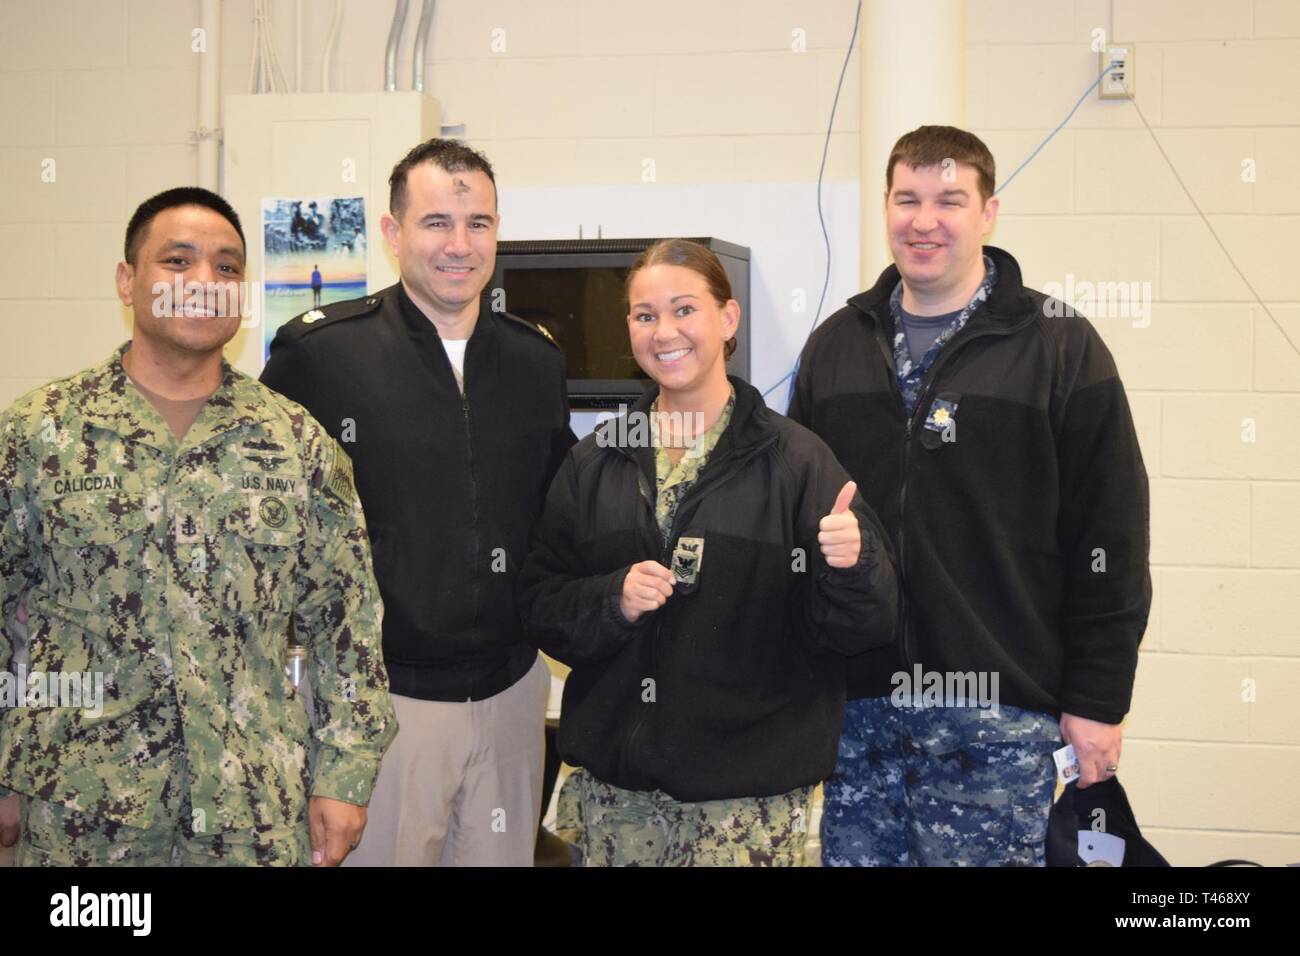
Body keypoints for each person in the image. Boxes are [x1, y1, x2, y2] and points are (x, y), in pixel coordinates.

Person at [787, 125, 1151, 866]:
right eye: (908, 198)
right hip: (859, 716)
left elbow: (1110, 536)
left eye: (950, 199)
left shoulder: (1058, 346)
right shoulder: (836, 346)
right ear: (886, 207)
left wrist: (1098, 701)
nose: (925, 221)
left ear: (988, 212)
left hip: (998, 720)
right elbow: (796, 523)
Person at [0, 187, 396, 866]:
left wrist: (345, 774)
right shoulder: (39, 433)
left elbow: (347, 622)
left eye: (227, 267)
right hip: (83, 814)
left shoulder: (296, 442)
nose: (203, 284)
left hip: (252, 813)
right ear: (129, 281)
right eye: (177, 261)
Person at [518, 239, 897, 867]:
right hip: (616, 804)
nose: (664, 331)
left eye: (684, 309)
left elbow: (863, 628)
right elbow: (540, 602)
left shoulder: (797, 461)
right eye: (644, 315)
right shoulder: (596, 460)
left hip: (745, 812)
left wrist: (852, 565)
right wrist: (613, 600)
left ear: (728, 320)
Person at [261, 139, 574, 867]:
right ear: (393, 232)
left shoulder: (536, 361)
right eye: (436, 223)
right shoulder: (322, 356)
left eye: (479, 223)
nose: (459, 245)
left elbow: (559, 522)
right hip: (382, 707)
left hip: (512, 698)